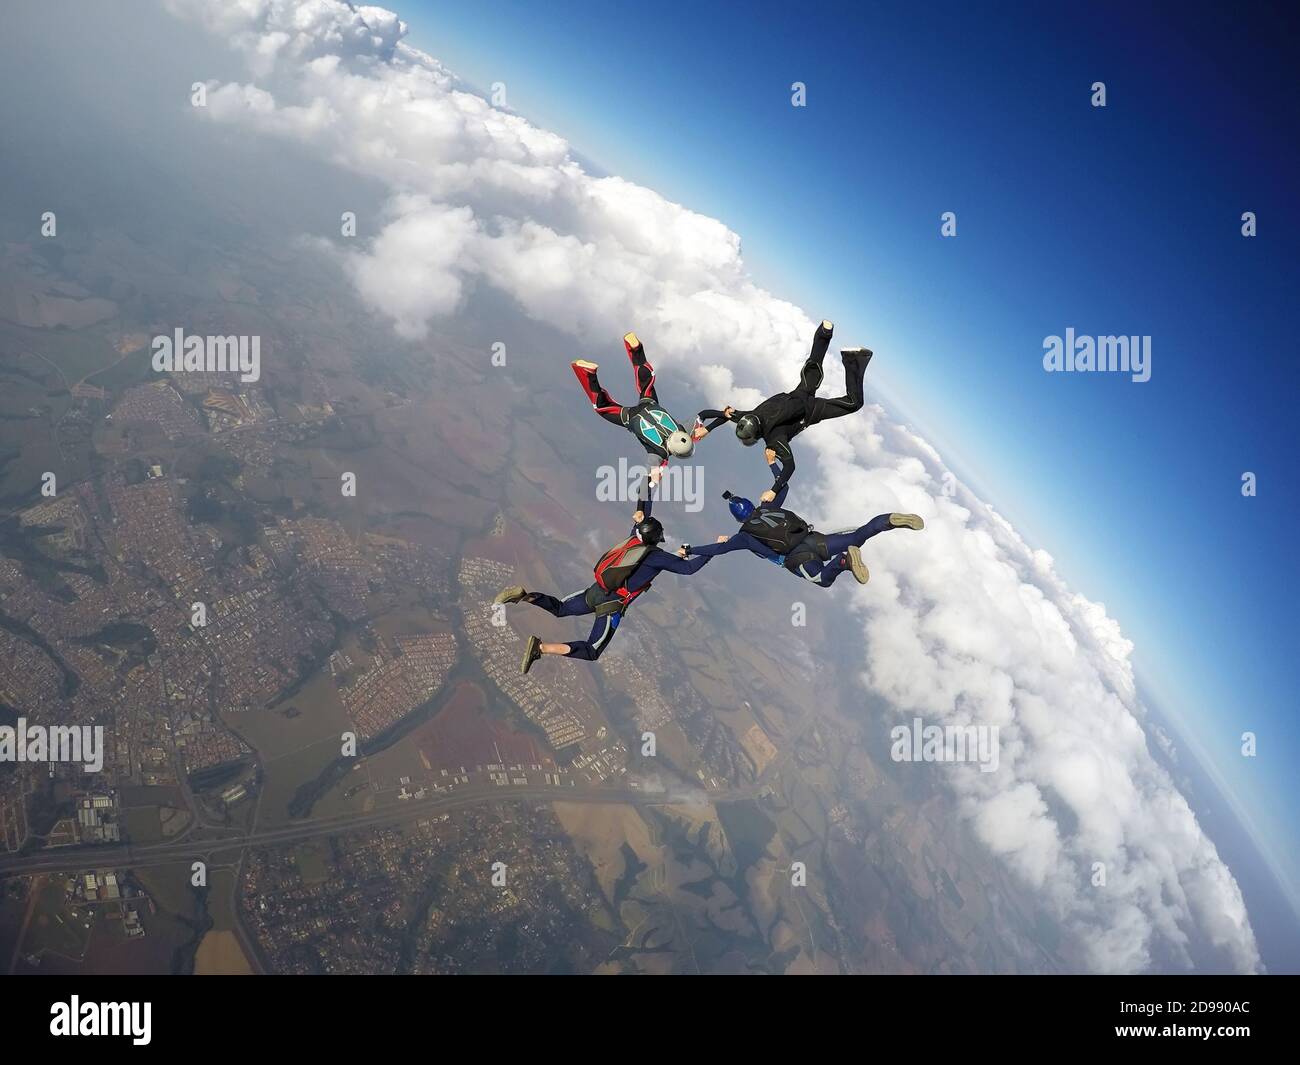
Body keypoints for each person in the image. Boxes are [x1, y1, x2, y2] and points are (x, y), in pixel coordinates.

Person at [495, 477, 711, 673]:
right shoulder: (658, 556)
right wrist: (709, 552)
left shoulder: (633, 539)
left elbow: (644, 511)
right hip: (611, 605)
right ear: (657, 539)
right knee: (592, 651)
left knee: (560, 608)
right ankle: (540, 648)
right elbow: (689, 569)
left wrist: (650, 482)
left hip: (596, 591)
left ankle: (524, 596)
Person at [695, 319, 872, 500]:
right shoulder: (749, 416)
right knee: (814, 363)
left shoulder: (774, 440)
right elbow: (722, 415)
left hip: (811, 411)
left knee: (853, 403)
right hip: (800, 392)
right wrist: (707, 428)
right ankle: (825, 332)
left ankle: (853, 360)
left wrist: (773, 490)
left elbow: (790, 467)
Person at [684, 458, 924, 587]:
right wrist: (771, 462)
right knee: (859, 534)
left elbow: (718, 550)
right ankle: (889, 520)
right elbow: (783, 483)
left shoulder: (744, 536)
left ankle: (844, 561)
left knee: (822, 580)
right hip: (813, 539)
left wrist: (690, 549)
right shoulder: (768, 507)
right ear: (750, 504)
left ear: (737, 517)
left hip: (796, 558)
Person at [571, 332, 695, 476]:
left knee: (646, 385)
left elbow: (704, 415)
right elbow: (652, 470)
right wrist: (651, 481)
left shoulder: (681, 430)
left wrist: (723, 416)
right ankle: (589, 374)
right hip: (631, 417)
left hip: (651, 405)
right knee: (602, 407)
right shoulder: (661, 454)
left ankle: (636, 349)